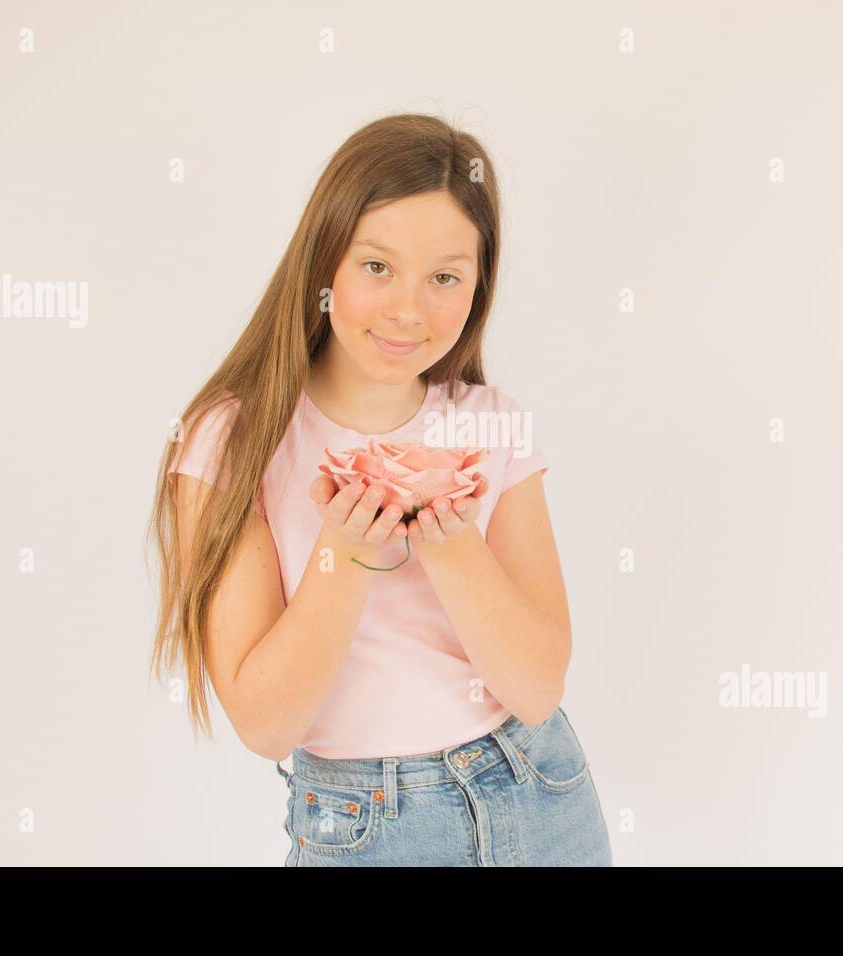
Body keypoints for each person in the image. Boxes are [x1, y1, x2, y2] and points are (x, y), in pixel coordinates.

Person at [147, 113, 611, 866]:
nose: (408, 311)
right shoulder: (234, 441)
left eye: (445, 278)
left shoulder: (494, 426)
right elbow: (265, 724)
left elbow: (535, 689)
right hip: (366, 823)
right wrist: (349, 548)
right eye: (376, 268)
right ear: (324, 263)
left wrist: (449, 540)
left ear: (478, 285)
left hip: (540, 791)